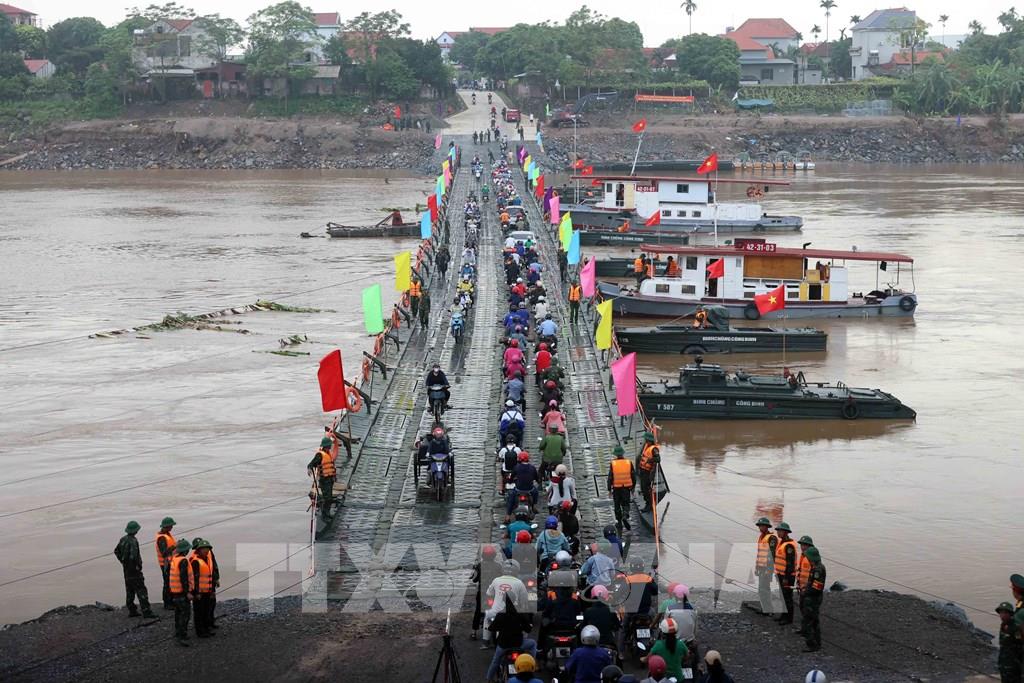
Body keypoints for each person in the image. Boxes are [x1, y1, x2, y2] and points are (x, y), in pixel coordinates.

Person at [485, 598, 538, 680]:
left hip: (504, 645)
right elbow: (528, 629)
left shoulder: (501, 614)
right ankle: (533, 665)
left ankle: (489, 679)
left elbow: (492, 628)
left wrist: (491, 627)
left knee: (495, 661)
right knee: (533, 643)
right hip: (519, 644)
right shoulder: (520, 613)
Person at [114, 520, 156, 619]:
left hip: (126, 570)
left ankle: (132, 610)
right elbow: (133, 556)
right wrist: (137, 566)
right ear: (135, 530)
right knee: (141, 591)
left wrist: (123, 561)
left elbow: (116, 551)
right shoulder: (133, 541)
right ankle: (147, 612)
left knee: (129, 590)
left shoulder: (122, 539)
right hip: (134, 570)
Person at [641, 617, 688, 682]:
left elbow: (648, 658)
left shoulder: (658, 645)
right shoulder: (681, 644)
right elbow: (686, 657)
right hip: (679, 678)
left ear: (662, 632)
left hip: (663, 679)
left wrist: (643, 659)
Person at [168, 538, 194, 646]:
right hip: (182, 593)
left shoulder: (174, 559)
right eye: (188, 549)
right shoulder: (183, 560)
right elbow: (183, 578)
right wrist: (187, 592)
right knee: (185, 614)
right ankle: (182, 635)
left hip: (174, 592)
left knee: (178, 613)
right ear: (185, 551)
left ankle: (178, 631)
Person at [799, 545, 826, 652]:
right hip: (812, 597)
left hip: (812, 599)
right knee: (814, 621)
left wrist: (805, 592)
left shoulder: (818, 569)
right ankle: (817, 643)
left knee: (808, 622)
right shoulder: (816, 567)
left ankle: (812, 644)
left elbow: (817, 587)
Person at [307, 435, 338, 520]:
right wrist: (309, 469)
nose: (331, 446)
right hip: (324, 481)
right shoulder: (320, 455)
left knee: (330, 498)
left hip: (330, 480)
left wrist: (334, 477)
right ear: (326, 446)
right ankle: (324, 515)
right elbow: (311, 464)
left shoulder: (328, 454)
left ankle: (327, 513)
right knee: (326, 498)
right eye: (329, 445)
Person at [190, 539, 216, 638]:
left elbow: (210, 576)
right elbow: (194, 579)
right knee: (199, 613)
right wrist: (196, 593)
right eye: (203, 549)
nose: (206, 551)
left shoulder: (207, 559)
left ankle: (206, 629)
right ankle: (200, 632)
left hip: (207, 591)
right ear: (199, 550)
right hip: (199, 593)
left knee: (206, 611)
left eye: (207, 549)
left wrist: (212, 590)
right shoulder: (195, 561)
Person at [753, 517, 778, 615]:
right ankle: (766, 608)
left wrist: (769, 569)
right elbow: (760, 554)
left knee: (764, 588)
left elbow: (771, 555)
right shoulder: (761, 537)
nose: (760, 527)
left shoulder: (771, 538)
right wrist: (757, 567)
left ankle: (769, 610)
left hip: (767, 568)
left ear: (767, 526)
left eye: (762, 526)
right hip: (761, 567)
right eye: (759, 526)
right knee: (761, 589)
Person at [607, 446, 636, 531]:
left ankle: (619, 522)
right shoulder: (628, 462)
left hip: (616, 488)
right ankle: (625, 515)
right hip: (626, 488)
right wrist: (633, 487)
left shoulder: (613, 463)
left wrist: (609, 489)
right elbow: (633, 476)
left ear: (616, 455)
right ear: (623, 454)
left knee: (617, 505)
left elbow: (610, 477)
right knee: (626, 504)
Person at [774, 521, 798, 625]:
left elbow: (790, 564)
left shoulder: (789, 546)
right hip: (781, 574)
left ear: (785, 532)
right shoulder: (782, 543)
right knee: (782, 596)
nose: (778, 533)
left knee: (787, 597)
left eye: (780, 531)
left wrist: (786, 578)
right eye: (778, 531)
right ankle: (783, 615)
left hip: (787, 576)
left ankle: (788, 618)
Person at [508, 451, 540, 516]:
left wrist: (510, 481)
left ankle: (508, 515)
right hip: (530, 489)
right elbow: (536, 478)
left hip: (518, 489)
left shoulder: (516, 467)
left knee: (511, 498)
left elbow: (511, 477)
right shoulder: (532, 468)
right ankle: (534, 506)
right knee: (536, 492)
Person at [155, 516, 177, 609]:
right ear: (166, 526)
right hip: (165, 564)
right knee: (167, 583)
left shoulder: (167, 535)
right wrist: (175, 547)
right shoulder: (162, 538)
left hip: (170, 563)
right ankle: (167, 603)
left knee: (170, 582)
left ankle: (171, 601)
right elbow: (164, 553)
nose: (172, 528)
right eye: (171, 526)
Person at [998, 601, 1023, 682]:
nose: (1002, 615)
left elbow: (1020, 645)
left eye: (1005, 613)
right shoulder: (1003, 625)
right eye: (1001, 613)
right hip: (1003, 664)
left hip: (1013, 666)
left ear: (1010, 614)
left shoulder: (1015, 628)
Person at [795, 535, 815, 637]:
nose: (803, 547)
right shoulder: (802, 556)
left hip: (808, 589)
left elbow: (814, 575)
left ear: (809, 546)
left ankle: (809, 630)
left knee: (808, 610)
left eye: (805, 545)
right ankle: (804, 628)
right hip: (802, 588)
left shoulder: (812, 558)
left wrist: (810, 588)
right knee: (802, 608)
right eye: (802, 545)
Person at [636, 433, 659, 512]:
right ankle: (648, 503)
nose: (645, 441)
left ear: (649, 440)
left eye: (646, 440)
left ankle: (649, 505)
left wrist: (650, 460)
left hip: (647, 472)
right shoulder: (647, 447)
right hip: (643, 470)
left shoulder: (653, 449)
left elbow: (658, 459)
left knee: (645, 489)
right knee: (643, 488)